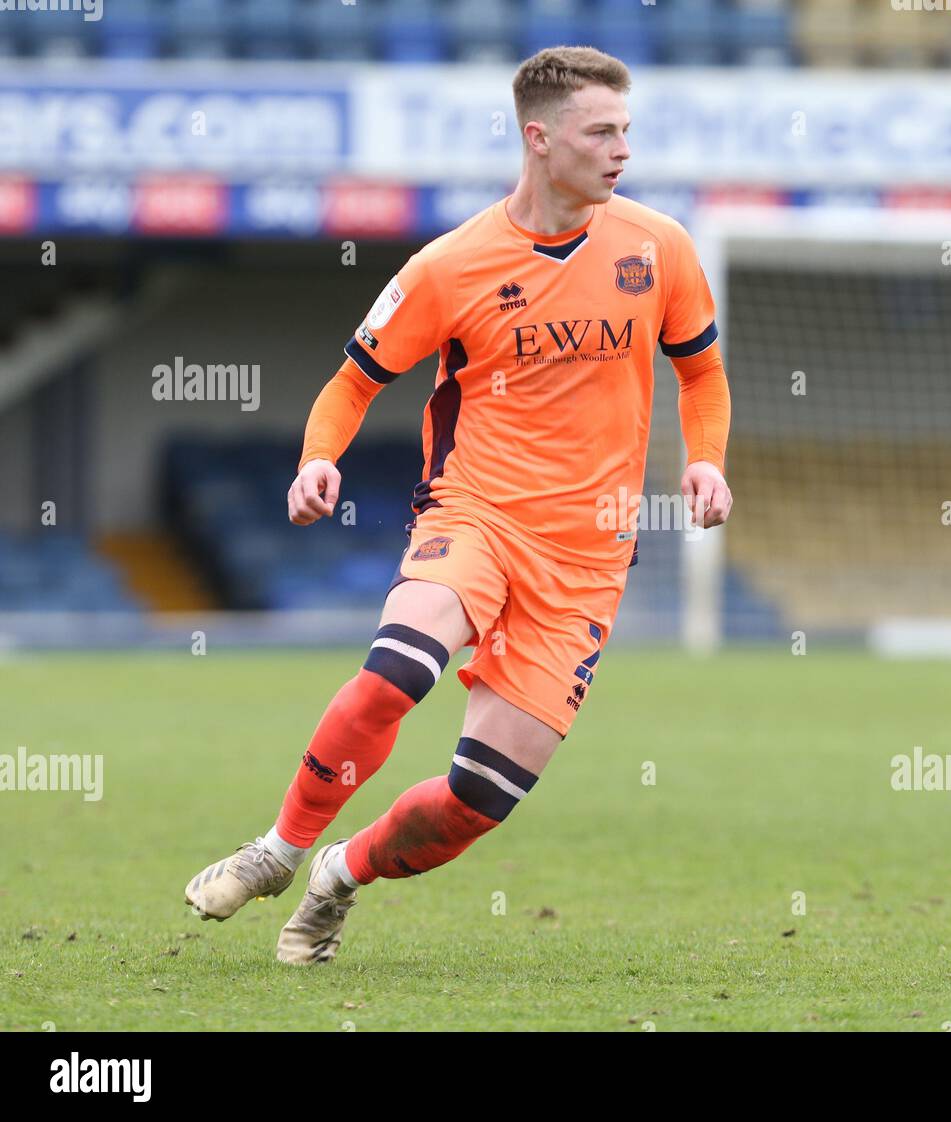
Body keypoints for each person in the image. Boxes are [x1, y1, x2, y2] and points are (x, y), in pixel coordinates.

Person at [184, 45, 732, 964]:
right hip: (474, 516)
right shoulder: (450, 265)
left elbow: (703, 373)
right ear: (539, 138)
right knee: (398, 671)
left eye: (626, 131)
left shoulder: (659, 246)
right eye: (602, 131)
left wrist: (707, 461)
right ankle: (278, 850)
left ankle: (339, 877)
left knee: (479, 801)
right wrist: (318, 460)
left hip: (588, 559)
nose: (621, 149)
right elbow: (351, 383)